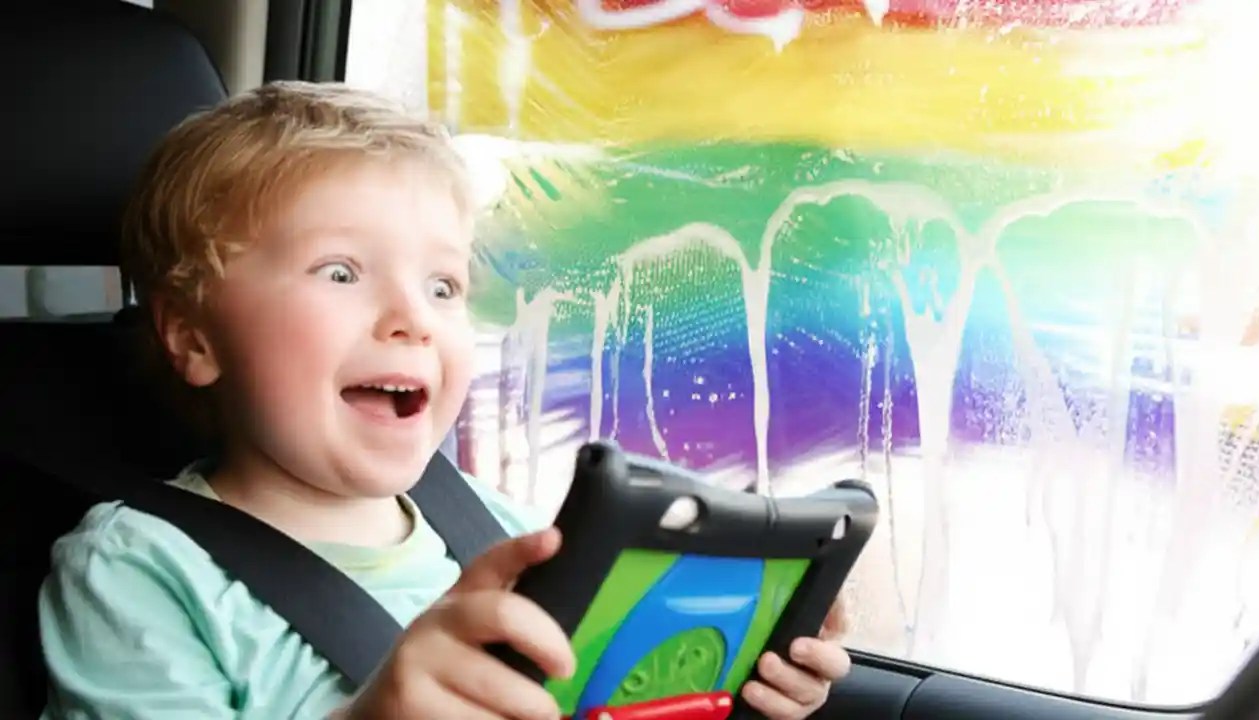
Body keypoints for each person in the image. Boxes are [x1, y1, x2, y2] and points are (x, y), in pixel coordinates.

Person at [37, 81, 852, 720]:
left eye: (443, 285)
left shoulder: (499, 529)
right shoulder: (136, 567)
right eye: (341, 272)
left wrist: (740, 671)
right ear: (195, 340)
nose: (413, 321)